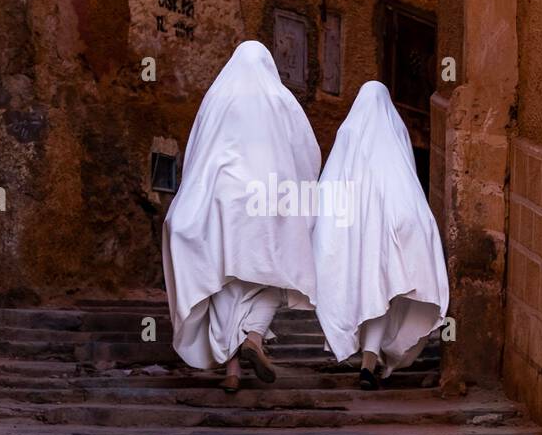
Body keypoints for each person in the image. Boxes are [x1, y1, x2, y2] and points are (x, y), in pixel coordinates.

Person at [162, 40, 320, 392]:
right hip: (269, 202)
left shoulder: (217, 99)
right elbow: (308, 152)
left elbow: (198, 154)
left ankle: (231, 370)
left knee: (224, 284)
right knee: (273, 279)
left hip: (223, 203)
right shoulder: (282, 101)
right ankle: (253, 337)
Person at [313, 80, 448, 388]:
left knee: (364, 290)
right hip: (389, 227)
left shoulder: (348, 132)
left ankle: (367, 356)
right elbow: (407, 181)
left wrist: (324, 226)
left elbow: (332, 182)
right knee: (382, 291)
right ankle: (369, 360)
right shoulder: (395, 131)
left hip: (353, 231)